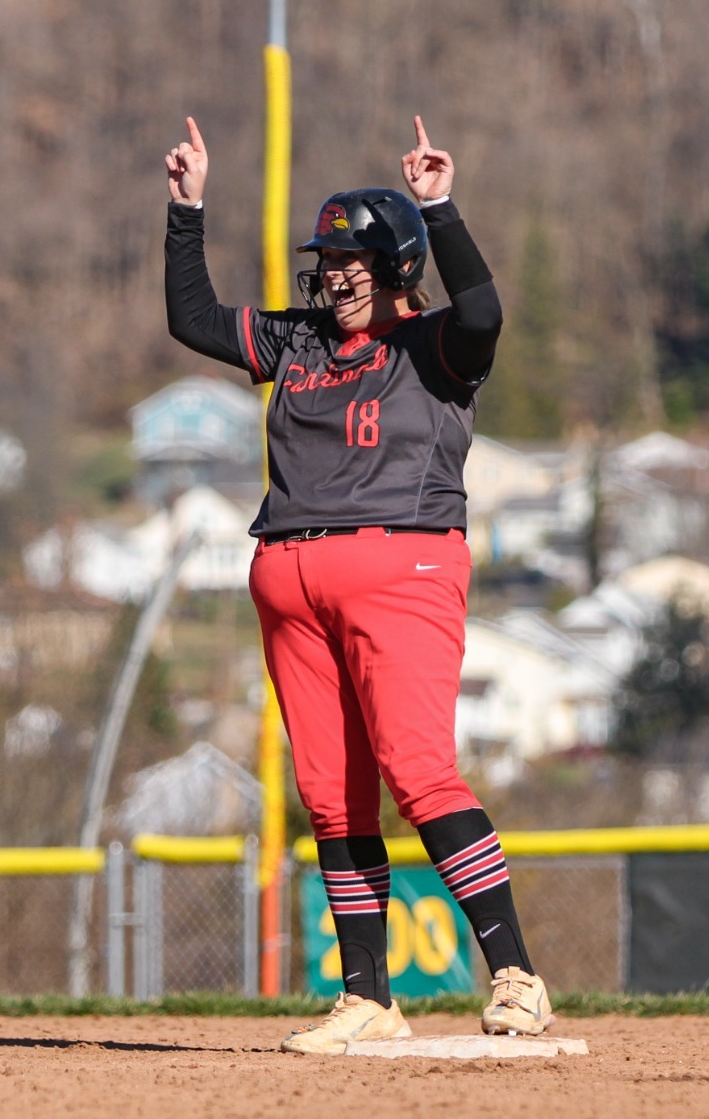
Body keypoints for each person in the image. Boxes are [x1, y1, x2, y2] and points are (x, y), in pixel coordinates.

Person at [165, 116, 550, 1052]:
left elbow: (487, 313)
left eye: (355, 258)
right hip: (289, 575)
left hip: (403, 565)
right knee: (330, 794)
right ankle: (369, 996)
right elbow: (194, 320)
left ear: (398, 267)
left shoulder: (434, 346)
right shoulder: (299, 342)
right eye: (328, 257)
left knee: (419, 771)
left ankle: (518, 977)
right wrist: (186, 210)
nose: (335, 272)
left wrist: (439, 207)